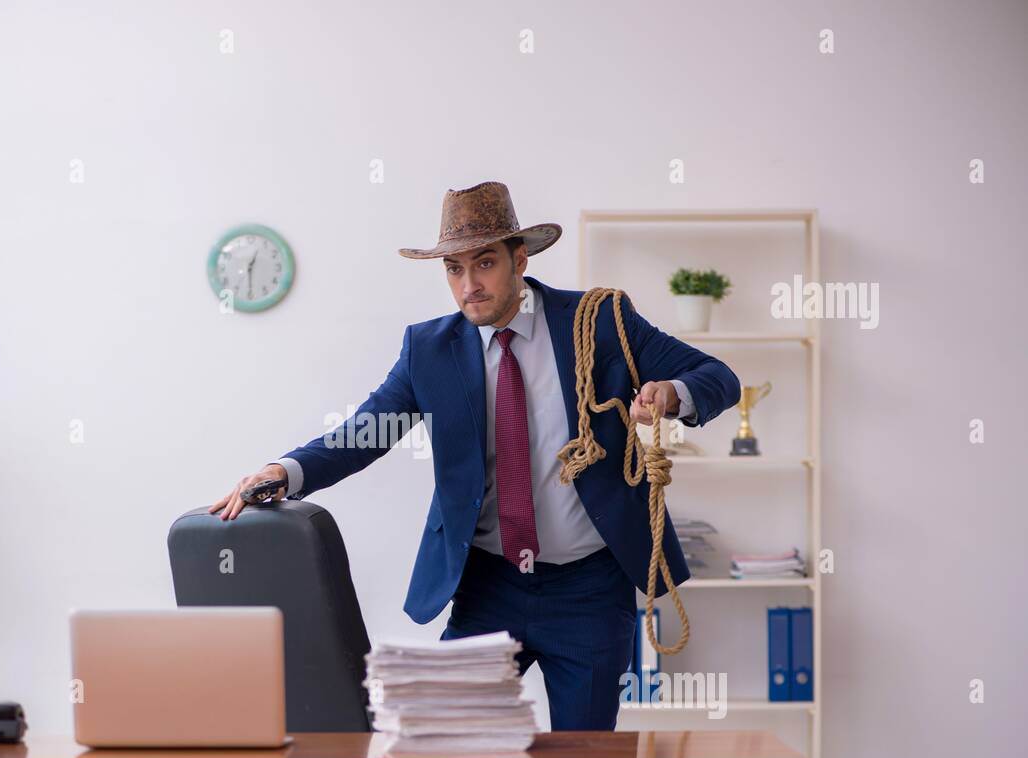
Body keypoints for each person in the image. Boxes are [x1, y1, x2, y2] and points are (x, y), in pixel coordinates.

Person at [210, 181, 741, 730]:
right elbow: (365, 432)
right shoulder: (428, 350)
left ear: (520, 259)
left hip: (589, 589)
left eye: (484, 264)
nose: (469, 286)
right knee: (450, 746)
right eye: (454, 270)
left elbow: (719, 378)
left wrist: (673, 395)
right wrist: (284, 471)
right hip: (489, 585)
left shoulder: (598, 323)